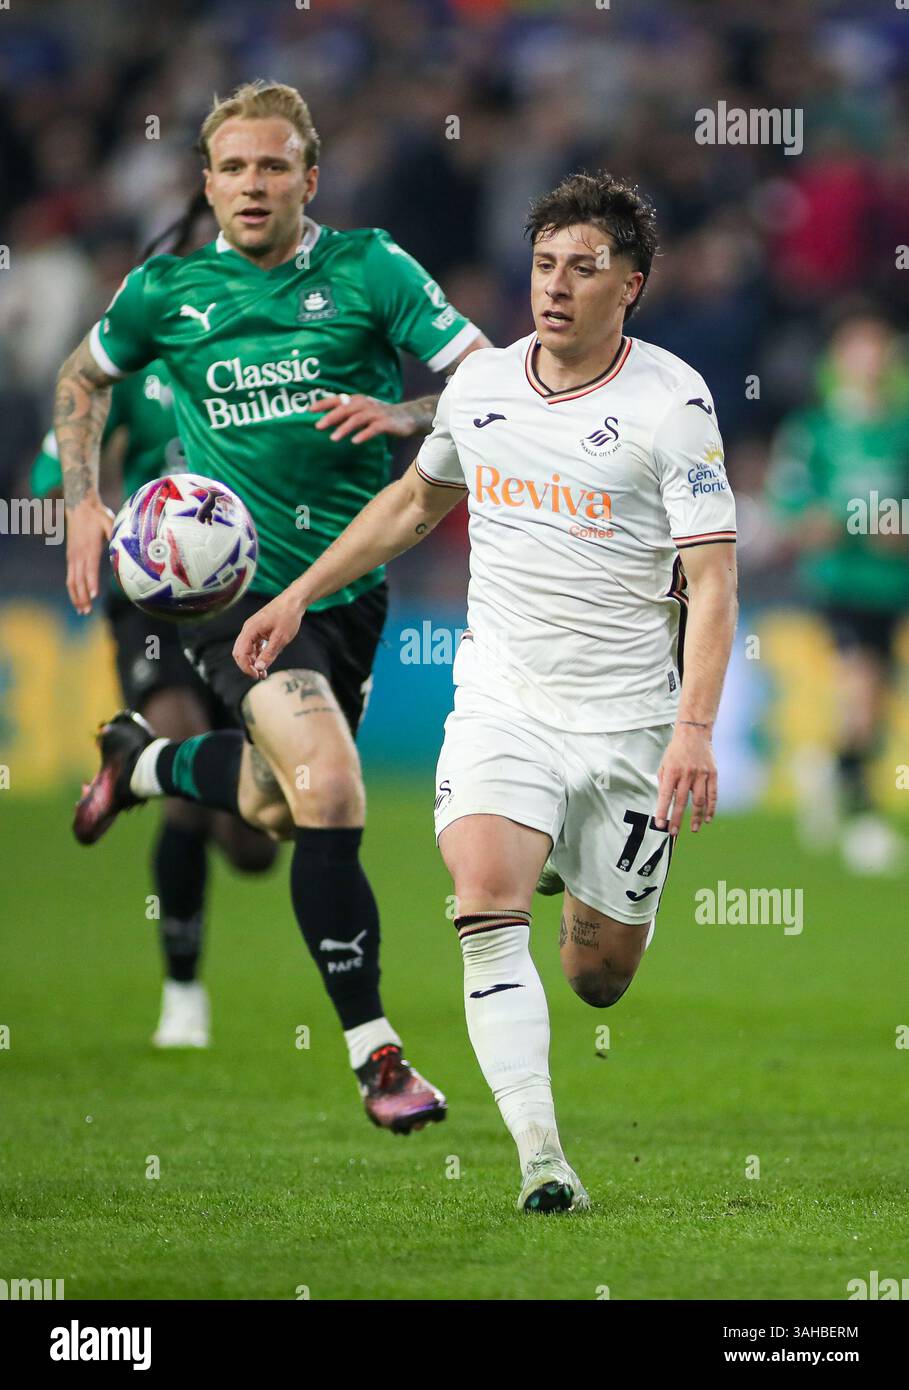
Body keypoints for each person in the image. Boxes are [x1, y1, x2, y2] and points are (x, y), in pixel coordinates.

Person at [230, 171, 739, 1212]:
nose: (554, 286)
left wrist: (692, 730)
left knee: (600, 975)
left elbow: (717, 578)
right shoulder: (483, 388)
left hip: (631, 722)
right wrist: (297, 595)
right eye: (545, 263)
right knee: (484, 900)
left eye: (582, 268)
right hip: (503, 700)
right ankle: (543, 1160)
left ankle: (572, 872)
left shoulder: (674, 404)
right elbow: (415, 502)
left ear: (629, 285)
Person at [57, 80, 490, 1134]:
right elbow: (82, 375)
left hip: (346, 586)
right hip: (225, 587)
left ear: (310, 176)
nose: (255, 184)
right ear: (207, 182)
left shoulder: (369, 268)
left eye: (275, 165)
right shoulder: (167, 290)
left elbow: (491, 383)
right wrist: (81, 506)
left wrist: (404, 408)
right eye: (235, 168)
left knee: (272, 806)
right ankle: (378, 1059)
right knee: (333, 787)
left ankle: (145, 764)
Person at [33, 191, 278, 1049]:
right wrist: (86, 501)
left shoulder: (264, 359)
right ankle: (183, 997)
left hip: (254, 595)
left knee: (255, 845)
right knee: (181, 790)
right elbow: (51, 468)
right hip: (155, 602)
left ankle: (155, 769)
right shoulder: (131, 371)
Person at [767, 306, 909, 874]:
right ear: (839, 359)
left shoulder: (900, 428)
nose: (870, 358)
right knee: (861, 684)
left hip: (891, 585)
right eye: (859, 346)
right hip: (840, 583)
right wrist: (853, 523)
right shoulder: (814, 430)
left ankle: (830, 770)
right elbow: (794, 514)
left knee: (872, 699)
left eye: (879, 347)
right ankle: (863, 813)